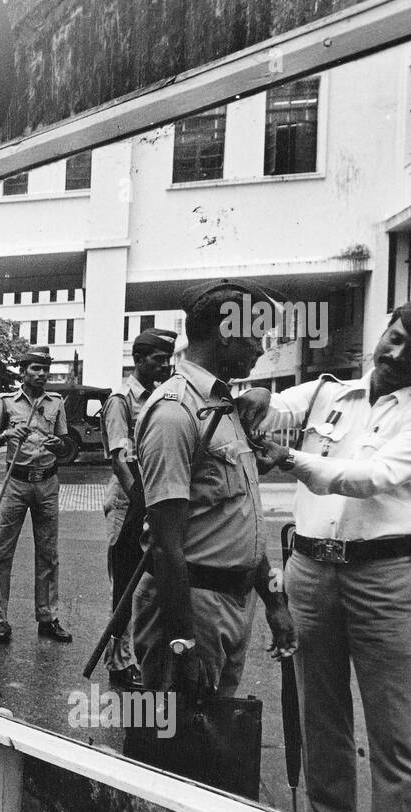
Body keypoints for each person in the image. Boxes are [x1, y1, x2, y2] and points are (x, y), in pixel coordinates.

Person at [242, 297, 411, 812]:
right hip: (310, 572)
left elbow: (371, 478)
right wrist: (259, 396)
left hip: (384, 578)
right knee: (323, 721)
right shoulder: (323, 394)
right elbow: (267, 410)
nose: (394, 351)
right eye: (393, 335)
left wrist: (290, 460)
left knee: (399, 734)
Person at [131, 280, 294, 698]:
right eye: (256, 335)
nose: (262, 348)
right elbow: (166, 543)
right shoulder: (175, 412)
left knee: (215, 741)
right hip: (193, 607)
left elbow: (237, 517)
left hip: (233, 604)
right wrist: (182, 641)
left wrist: (274, 602)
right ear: (227, 331)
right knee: (176, 746)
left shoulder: (224, 407)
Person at [99, 329, 175, 689]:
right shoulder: (121, 399)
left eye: (167, 359)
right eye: (158, 359)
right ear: (139, 360)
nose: (165, 365)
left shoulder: (163, 398)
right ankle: (118, 662)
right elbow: (119, 458)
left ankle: (142, 655)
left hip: (154, 499)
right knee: (125, 584)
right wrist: (140, 501)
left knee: (152, 581)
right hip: (131, 502)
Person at [0, 345, 71, 644]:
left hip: (47, 483)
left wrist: (60, 445)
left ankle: (47, 618)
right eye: (35, 368)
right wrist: (7, 434)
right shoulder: (6, 402)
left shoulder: (56, 402)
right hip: (16, 484)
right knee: (2, 554)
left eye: (45, 369)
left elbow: (65, 443)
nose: (42, 374)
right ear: (23, 371)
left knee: (49, 555)